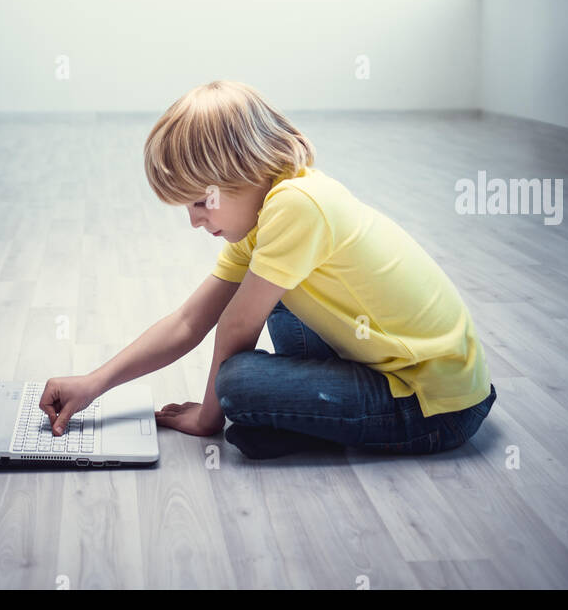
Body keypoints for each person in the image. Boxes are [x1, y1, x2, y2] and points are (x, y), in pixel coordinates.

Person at [40, 79, 496, 460]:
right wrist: (94, 383)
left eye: (201, 202)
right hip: (392, 368)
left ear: (241, 169)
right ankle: (302, 418)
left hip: (434, 406)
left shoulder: (297, 204)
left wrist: (208, 417)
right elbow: (188, 321)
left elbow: (237, 325)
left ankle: (296, 417)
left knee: (238, 383)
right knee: (273, 302)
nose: (195, 219)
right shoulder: (261, 215)